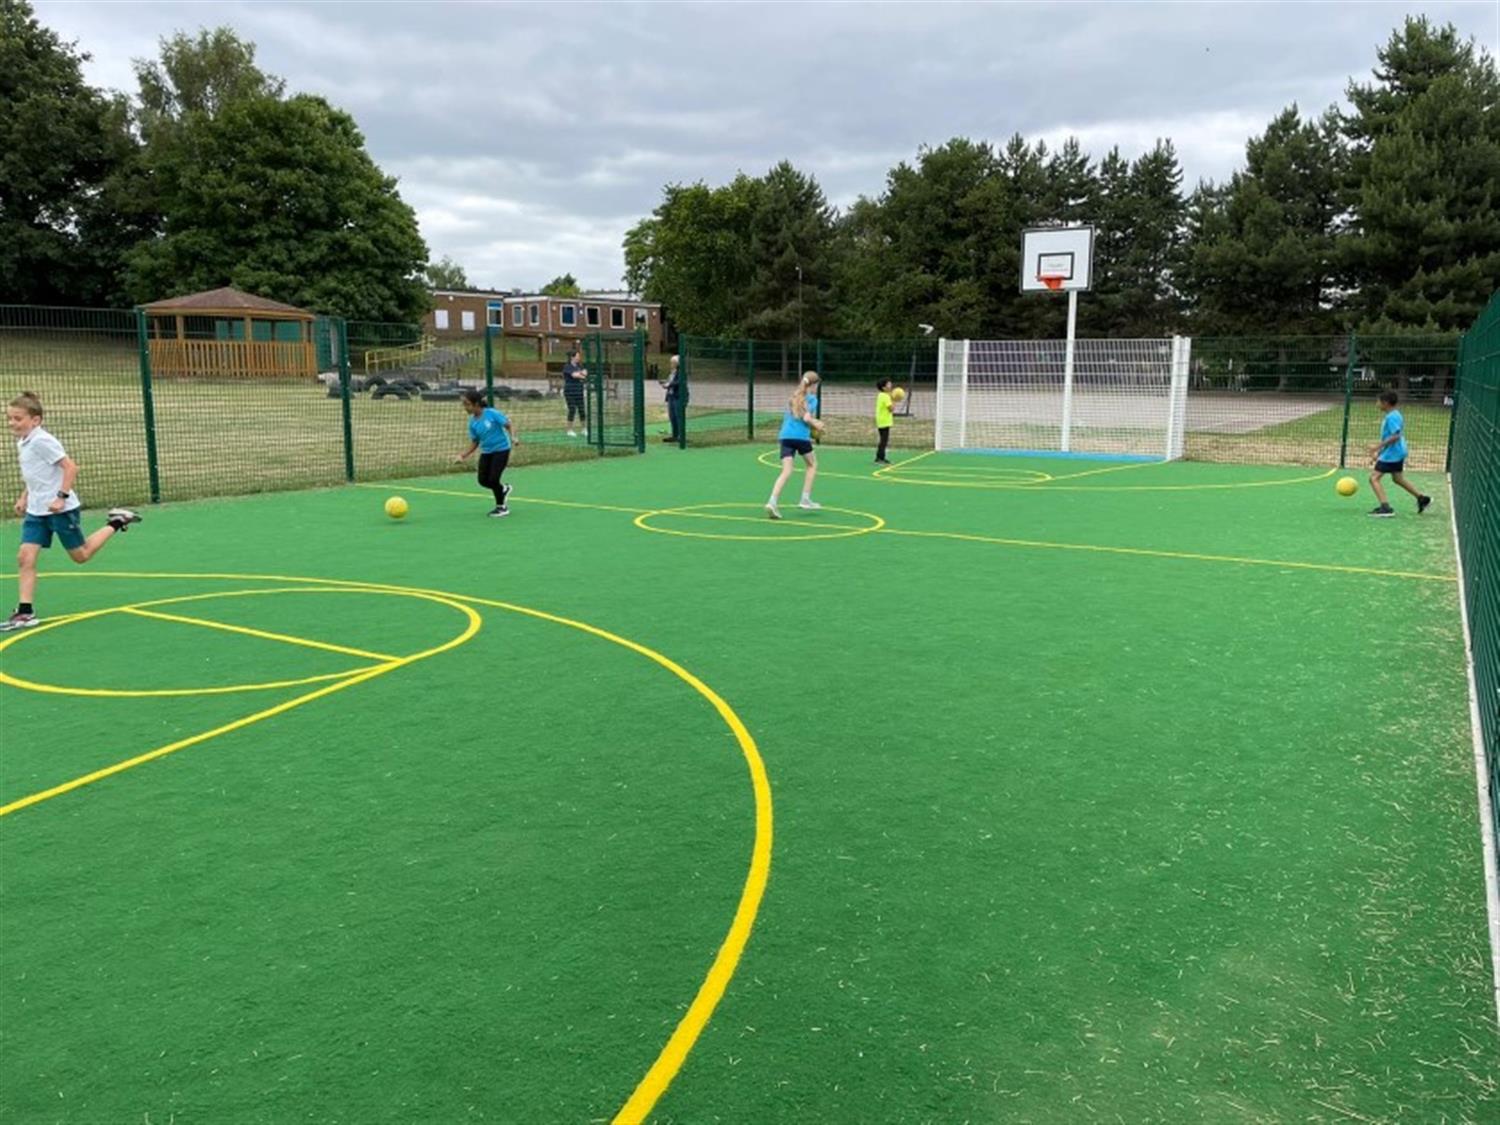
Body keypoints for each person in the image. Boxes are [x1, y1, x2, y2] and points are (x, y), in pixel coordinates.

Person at [4, 391, 141, 631]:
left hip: (60, 510)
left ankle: (117, 522)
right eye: (9, 418)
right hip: (37, 512)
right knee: (25, 557)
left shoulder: (42, 441)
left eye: (18, 418)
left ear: (35, 420)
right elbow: (36, 474)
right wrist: (24, 496)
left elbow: (70, 467)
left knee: (81, 555)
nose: (12, 423)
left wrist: (61, 498)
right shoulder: (24, 441)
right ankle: (25, 612)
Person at [766, 371, 825, 519]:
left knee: (786, 471)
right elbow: (806, 418)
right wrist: (817, 425)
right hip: (800, 437)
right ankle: (805, 499)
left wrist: (813, 423)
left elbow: (797, 416)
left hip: (785, 436)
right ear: (814, 385)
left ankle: (772, 502)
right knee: (812, 465)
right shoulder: (812, 399)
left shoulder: (793, 397)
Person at [1366, 390, 1432, 518]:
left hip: (1393, 454)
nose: (1376, 404)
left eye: (1378, 401)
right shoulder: (1394, 414)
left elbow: (1395, 436)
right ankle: (1422, 498)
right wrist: (1379, 454)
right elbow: (1391, 437)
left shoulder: (1392, 417)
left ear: (1385, 403)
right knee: (1397, 479)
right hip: (1395, 452)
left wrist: (1376, 448)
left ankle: (1385, 508)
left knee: (1373, 479)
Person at [455, 389, 517, 518]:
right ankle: (503, 489)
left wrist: (513, 437)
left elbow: (508, 425)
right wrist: (463, 455)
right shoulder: (472, 422)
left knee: (494, 479)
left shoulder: (492, 414)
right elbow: (475, 442)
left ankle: (501, 507)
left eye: (467, 404)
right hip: (487, 452)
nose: (465, 407)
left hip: (501, 450)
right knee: (483, 480)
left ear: (476, 404)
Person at [561, 348, 588, 437]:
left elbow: (585, 373)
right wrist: (581, 374)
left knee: (582, 410)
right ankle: (569, 430)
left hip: (579, 391)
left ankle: (584, 429)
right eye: (577, 356)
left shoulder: (579, 366)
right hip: (570, 391)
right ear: (572, 357)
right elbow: (575, 375)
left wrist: (581, 373)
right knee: (572, 409)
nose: (579, 358)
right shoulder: (567, 366)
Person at [660, 354, 684, 443]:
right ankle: (675, 435)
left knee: (678, 416)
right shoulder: (672, 372)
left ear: (677, 363)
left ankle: (681, 436)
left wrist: (669, 384)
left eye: (673, 362)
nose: (671, 364)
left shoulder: (681, 371)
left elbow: (679, 382)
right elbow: (670, 381)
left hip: (678, 396)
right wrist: (665, 382)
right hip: (671, 396)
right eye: (671, 362)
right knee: (672, 416)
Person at [874, 378, 895, 464]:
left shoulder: (881, 395)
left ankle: (881, 457)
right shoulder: (886, 396)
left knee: (883, 440)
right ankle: (879, 458)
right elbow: (891, 409)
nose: (891, 385)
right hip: (884, 421)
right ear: (884, 387)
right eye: (888, 384)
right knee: (884, 440)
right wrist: (895, 400)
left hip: (881, 420)